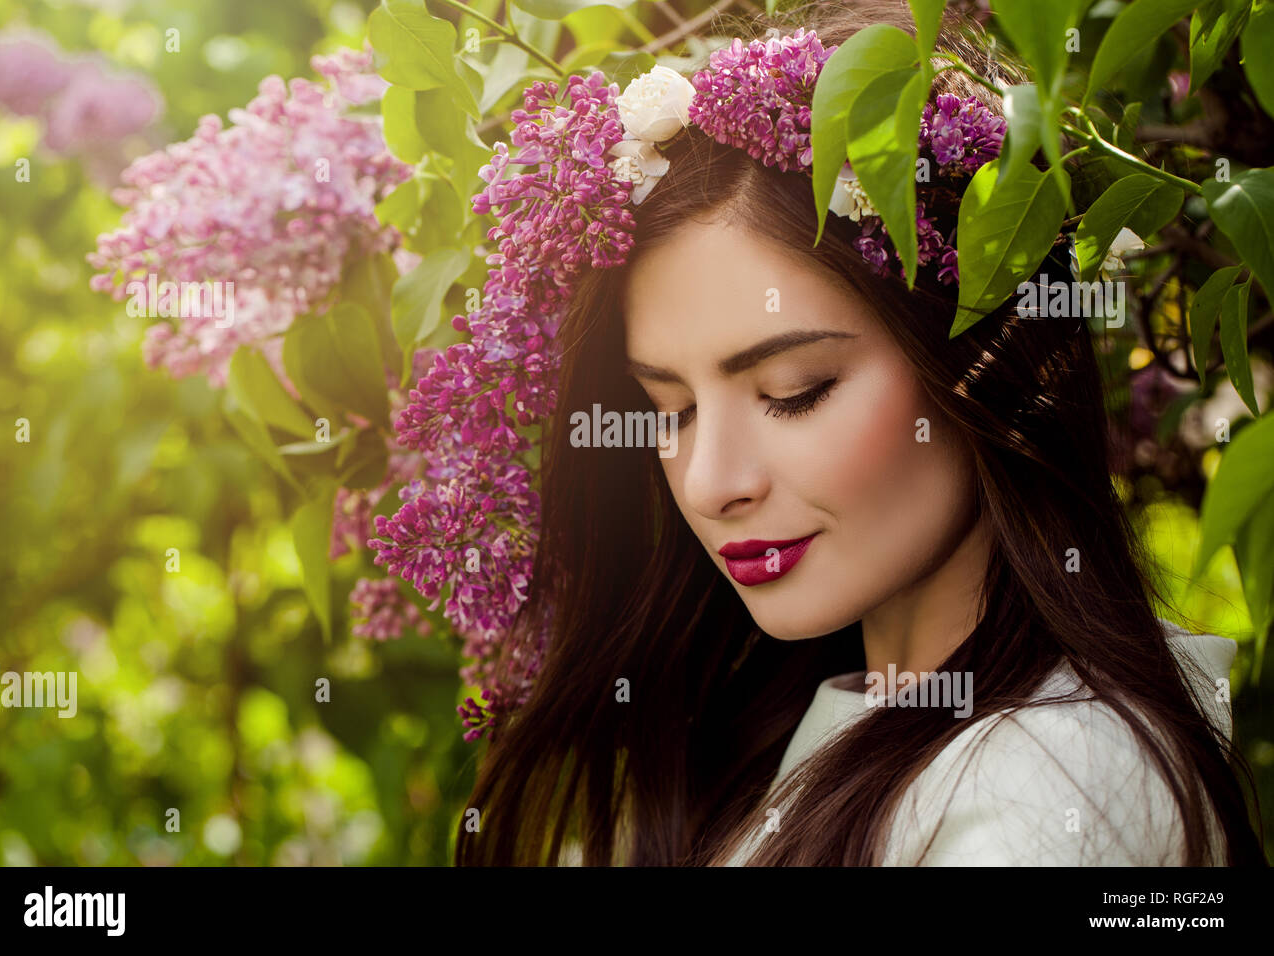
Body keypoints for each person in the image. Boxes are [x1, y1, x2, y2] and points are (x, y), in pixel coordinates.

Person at [453, 0, 1266, 866]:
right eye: (672, 409)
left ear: (987, 359)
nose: (707, 482)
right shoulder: (795, 734)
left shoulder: (1052, 789)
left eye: (793, 392)